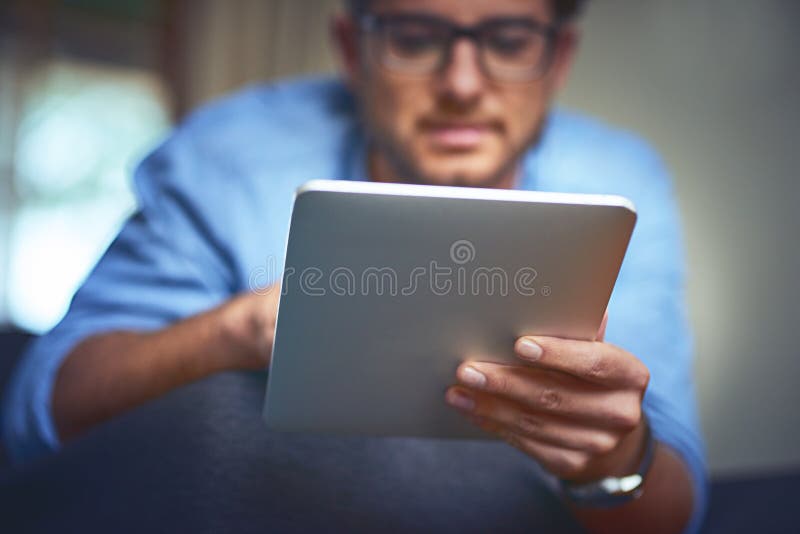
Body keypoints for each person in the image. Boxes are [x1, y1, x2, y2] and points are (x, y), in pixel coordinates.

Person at [2, 0, 707, 532]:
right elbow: (38, 415)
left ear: (557, 59)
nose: (463, 83)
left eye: (509, 41)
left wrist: (611, 460)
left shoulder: (620, 180)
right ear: (351, 47)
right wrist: (240, 331)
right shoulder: (228, 153)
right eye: (414, 38)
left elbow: (676, 501)